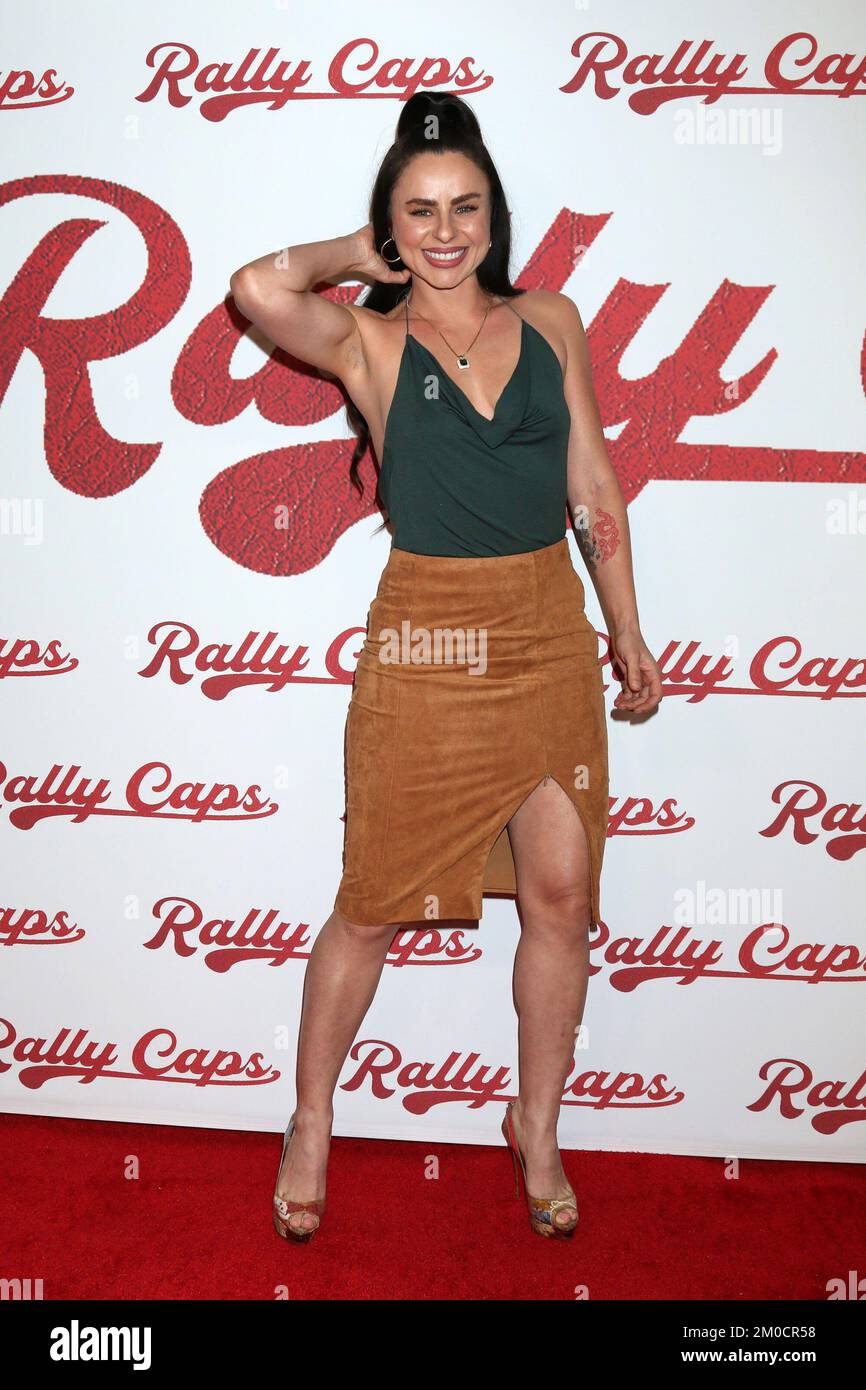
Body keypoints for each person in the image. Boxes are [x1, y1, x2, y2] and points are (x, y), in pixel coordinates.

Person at [230, 92, 663, 1244]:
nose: (443, 227)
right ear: (388, 221)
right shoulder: (365, 341)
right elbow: (257, 290)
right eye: (417, 210)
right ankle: (311, 1119)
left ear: (493, 214)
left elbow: (592, 487)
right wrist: (353, 252)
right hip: (424, 640)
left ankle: (537, 1121)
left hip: (543, 637)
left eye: (463, 206)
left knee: (564, 900)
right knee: (371, 902)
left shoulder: (554, 321)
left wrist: (625, 627)